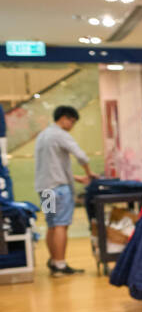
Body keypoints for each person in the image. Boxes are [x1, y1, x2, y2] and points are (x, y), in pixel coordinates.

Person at [33, 105, 93, 275]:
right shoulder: (60, 135)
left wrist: (76, 177)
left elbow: (51, 166)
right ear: (65, 118)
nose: (71, 126)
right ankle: (60, 265)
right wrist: (88, 173)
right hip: (59, 190)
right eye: (72, 122)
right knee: (61, 225)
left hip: (46, 190)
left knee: (52, 225)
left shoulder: (43, 136)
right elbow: (81, 156)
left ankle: (53, 261)